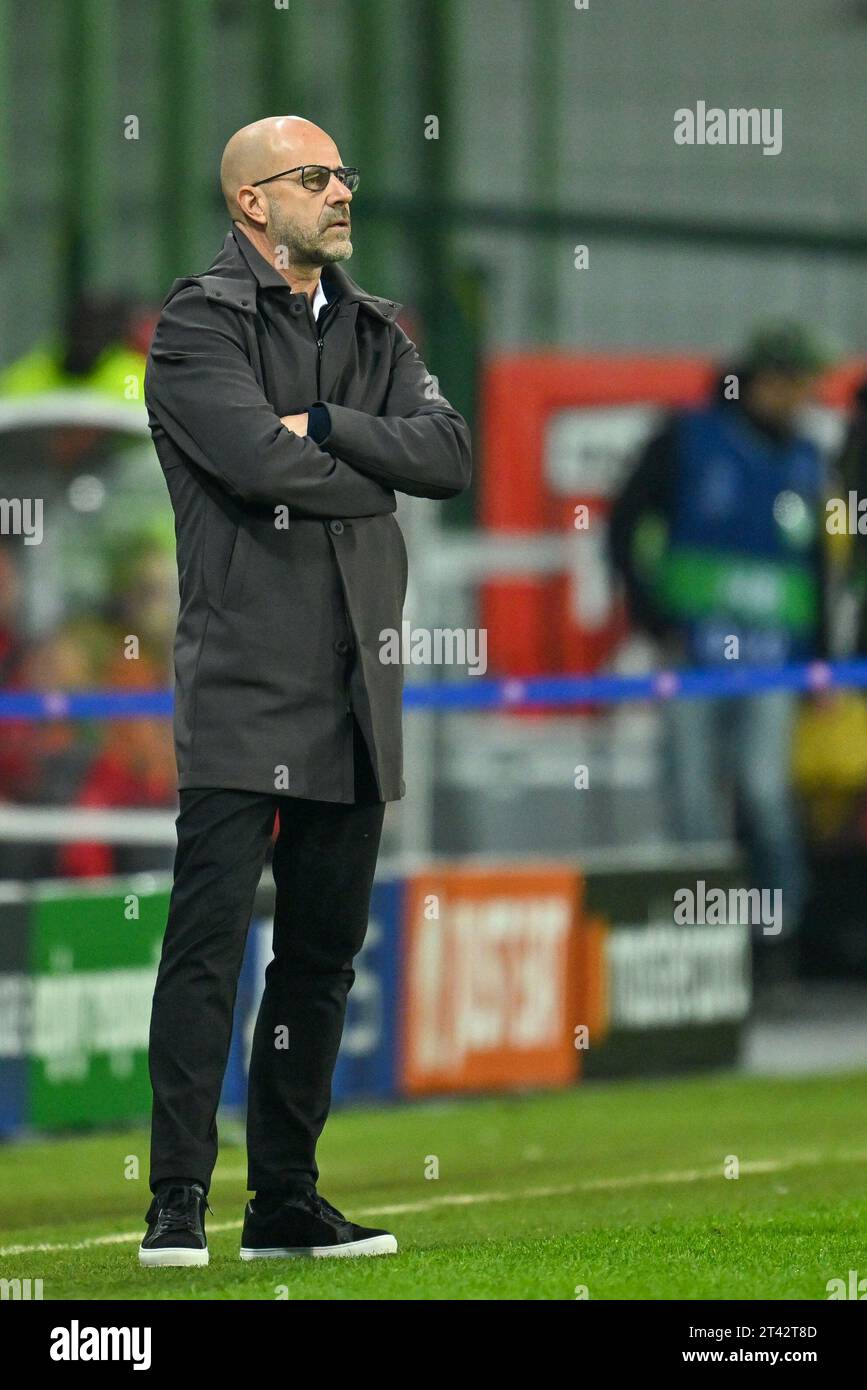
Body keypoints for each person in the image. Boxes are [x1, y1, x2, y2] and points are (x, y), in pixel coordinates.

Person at [140, 115, 471, 1266]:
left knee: (321, 958)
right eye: (316, 177)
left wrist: (331, 425)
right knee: (209, 945)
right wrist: (371, 475)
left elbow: (450, 455)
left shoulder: (374, 328)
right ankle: (176, 1197)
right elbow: (253, 462)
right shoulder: (197, 324)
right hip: (244, 683)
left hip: (355, 688)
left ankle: (286, 1200)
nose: (342, 192)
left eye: (347, 172)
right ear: (251, 205)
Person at [609, 323, 832, 987]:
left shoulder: (804, 456)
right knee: (690, 802)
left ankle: (776, 939)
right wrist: (652, 616)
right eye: (796, 385)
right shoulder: (686, 439)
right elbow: (623, 525)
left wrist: (818, 657)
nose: (805, 399)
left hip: (773, 657)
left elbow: (815, 562)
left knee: (764, 795)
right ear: (764, 382)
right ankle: (702, 943)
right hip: (695, 654)